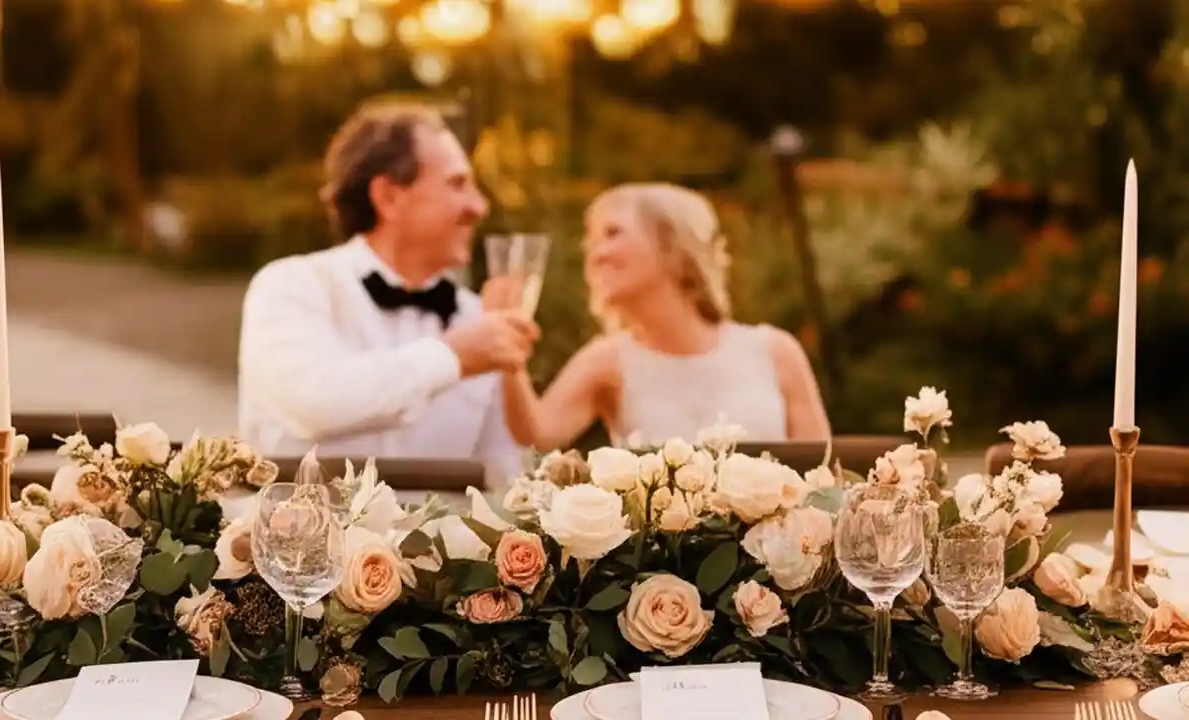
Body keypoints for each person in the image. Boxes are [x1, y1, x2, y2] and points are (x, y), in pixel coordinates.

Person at [238, 102, 536, 489]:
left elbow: (505, 476)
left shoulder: (478, 318)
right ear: (389, 197)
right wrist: (453, 356)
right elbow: (314, 402)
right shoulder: (290, 286)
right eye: (457, 183)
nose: (479, 207)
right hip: (302, 546)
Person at [497, 183, 830, 450]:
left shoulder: (775, 352)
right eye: (592, 241)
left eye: (612, 233)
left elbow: (824, 481)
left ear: (674, 246)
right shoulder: (606, 360)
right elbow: (536, 435)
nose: (596, 254)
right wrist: (508, 357)